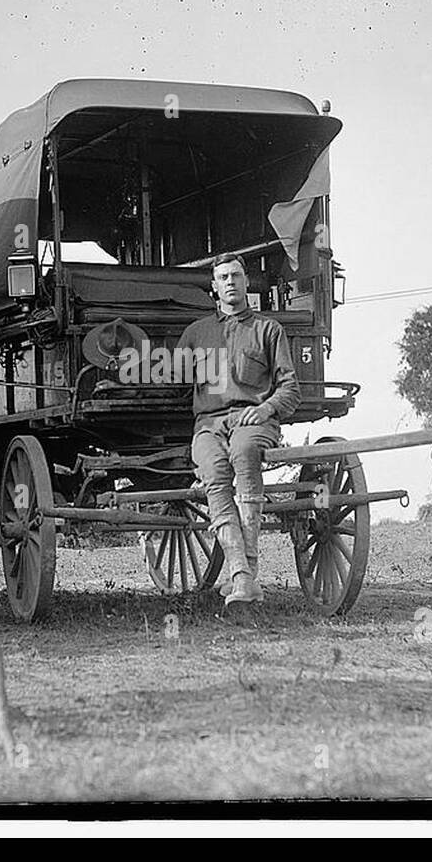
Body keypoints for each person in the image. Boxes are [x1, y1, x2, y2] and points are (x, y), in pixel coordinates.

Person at [176, 253, 301, 617]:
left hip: (252, 421)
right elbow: (173, 379)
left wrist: (265, 409)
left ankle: (244, 574)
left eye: (236, 275)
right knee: (213, 473)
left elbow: (290, 388)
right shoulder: (196, 333)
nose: (230, 282)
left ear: (247, 283)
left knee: (245, 454)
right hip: (208, 426)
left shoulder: (268, 330)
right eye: (223, 277)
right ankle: (244, 573)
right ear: (214, 288)